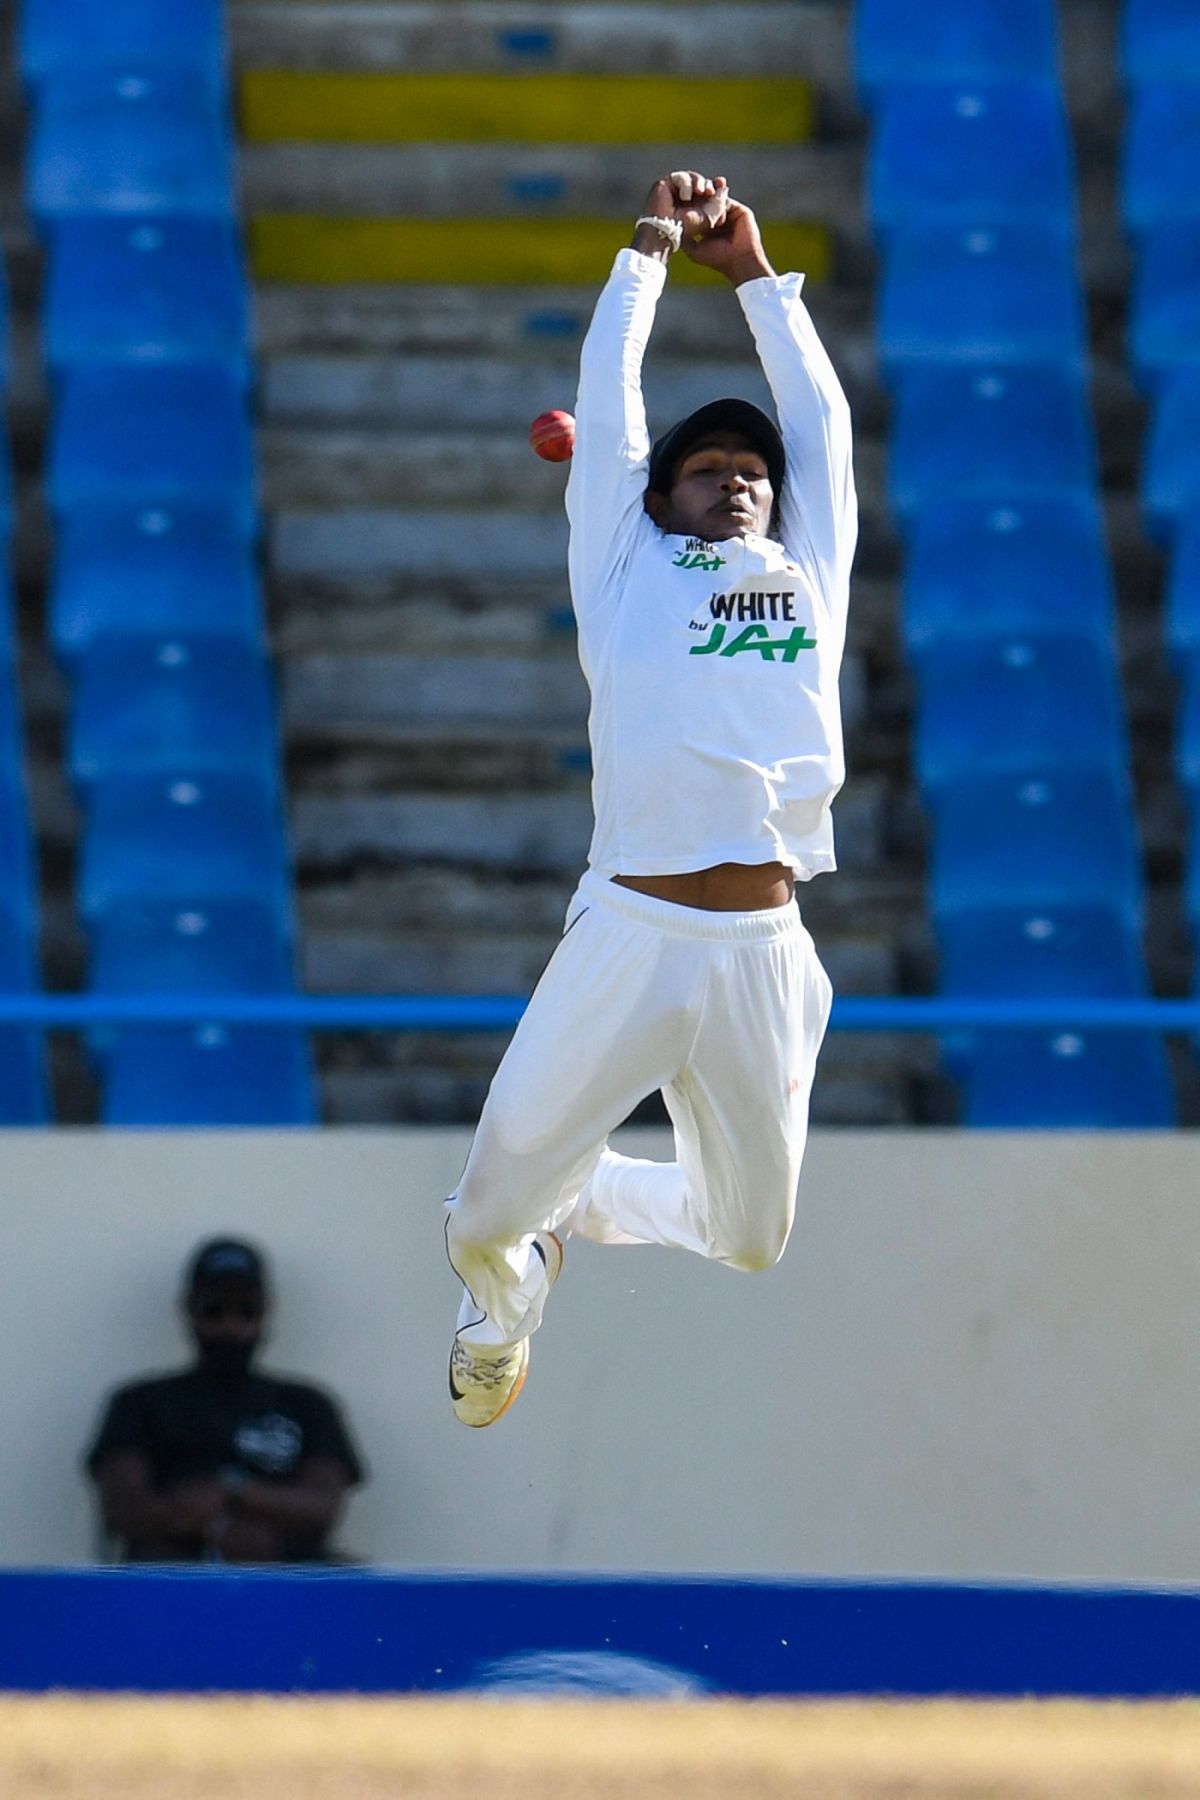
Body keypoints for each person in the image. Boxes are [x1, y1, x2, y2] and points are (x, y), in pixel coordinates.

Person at [445, 169, 856, 1427]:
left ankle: (588, 1205)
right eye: (707, 467)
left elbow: (823, 425)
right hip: (629, 930)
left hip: (762, 951)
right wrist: (650, 259)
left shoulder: (808, 570)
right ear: (656, 499)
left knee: (748, 1240)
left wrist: (755, 276)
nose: (737, 478)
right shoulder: (624, 565)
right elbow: (613, 410)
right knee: (482, 1217)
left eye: (749, 469)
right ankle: (510, 1301)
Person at [86, 1237, 365, 1561]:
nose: (230, 1326)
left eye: (246, 1311)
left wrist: (229, 1495)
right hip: (169, 1590)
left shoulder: (309, 1406)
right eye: (214, 1310)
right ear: (190, 1310)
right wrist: (222, 1530)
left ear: (265, 1313)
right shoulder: (138, 1404)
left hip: (287, 1590)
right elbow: (123, 1512)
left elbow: (322, 1510)